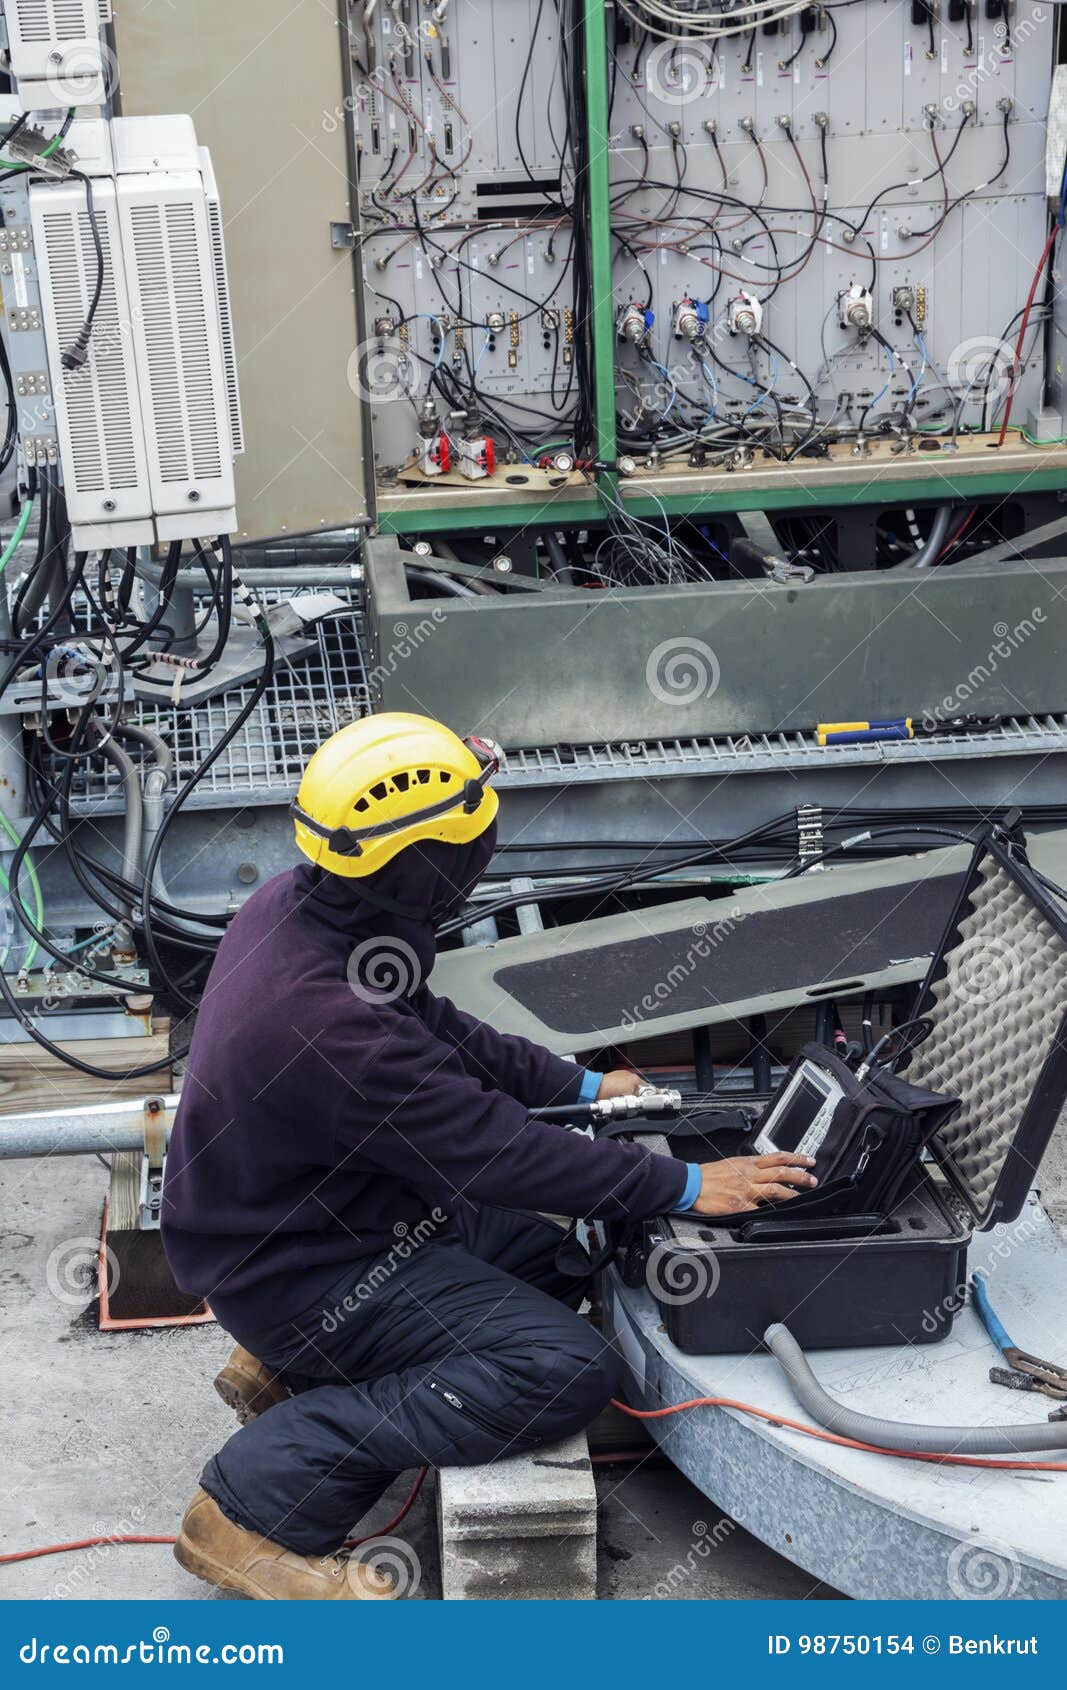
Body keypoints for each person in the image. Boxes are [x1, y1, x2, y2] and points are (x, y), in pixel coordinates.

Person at [162, 712, 816, 1600]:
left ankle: (289, 1365)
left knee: (550, 1252)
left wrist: (584, 1089)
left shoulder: (307, 907)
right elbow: (494, 1153)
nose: (489, 836)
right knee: (557, 1371)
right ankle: (254, 1503)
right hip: (301, 1267)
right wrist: (686, 1184)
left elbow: (441, 1030)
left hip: (314, 1222)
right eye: (475, 822)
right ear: (427, 859)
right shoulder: (333, 1027)